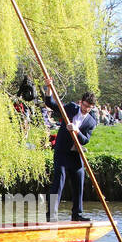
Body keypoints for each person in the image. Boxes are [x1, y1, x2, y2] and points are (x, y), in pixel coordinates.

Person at [46, 91, 97, 222]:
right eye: (84, 105)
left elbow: (85, 140)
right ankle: (51, 214)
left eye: (89, 107)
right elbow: (51, 103)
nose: (86, 109)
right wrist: (48, 90)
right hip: (62, 152)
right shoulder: (70, 108)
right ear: (81, 102)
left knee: (79, 183)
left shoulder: (91, 122)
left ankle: (77, 214)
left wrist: (76, 130)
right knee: (59, 182)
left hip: (75, 154)